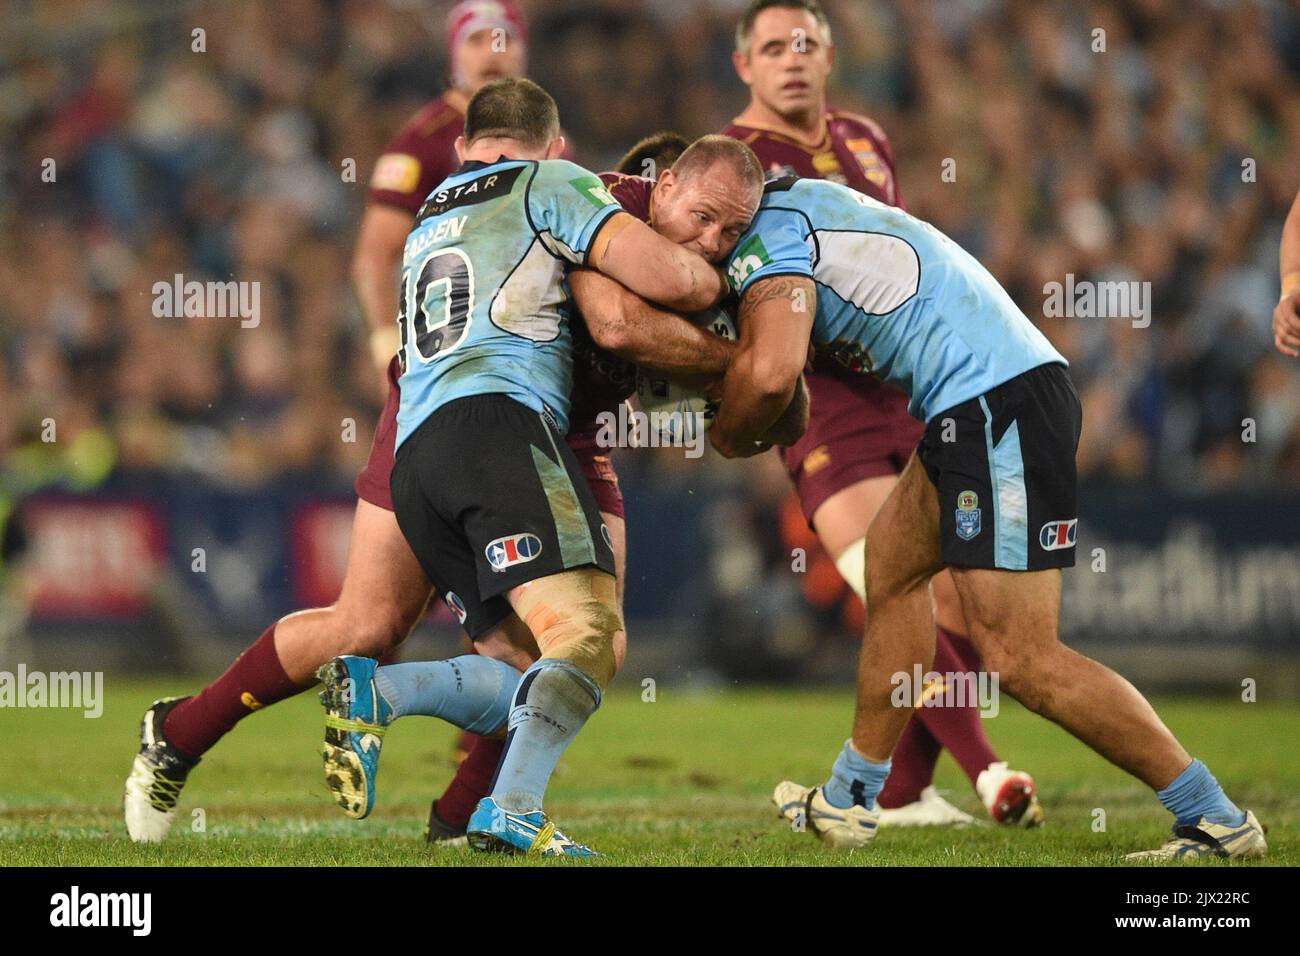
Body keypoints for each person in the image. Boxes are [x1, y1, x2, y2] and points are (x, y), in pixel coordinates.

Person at [713, 174, 1266, 860]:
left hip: (995, 405)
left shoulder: (769, 235)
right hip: (975, 404)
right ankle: (852, 798)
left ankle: (1215, 817)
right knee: (890, 567)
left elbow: (773, 371)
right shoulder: (801, 200)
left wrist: (728, 428)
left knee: (1021, 658)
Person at [321, 133, 778, 835]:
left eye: (732, 231)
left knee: (528, 661)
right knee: (587, 635)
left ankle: (383, 701)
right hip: (504, 431)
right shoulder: (593, 210)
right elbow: (619, 325)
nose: (713, 241)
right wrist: (740, 358)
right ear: (663, 187)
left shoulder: (498, 209)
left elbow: (665, 388)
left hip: (428, 441)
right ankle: (512, 813)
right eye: (704, 217)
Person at [722, 0, 1037, 826]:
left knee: (956, 600)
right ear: (742, 66)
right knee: (889, 584)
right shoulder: (735, 161)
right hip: (821, 404)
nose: (790, 59)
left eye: (805, 44)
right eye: (771, 47)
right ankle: (989, 769)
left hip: (910, 391)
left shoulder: (865, 137)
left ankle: (901, 791)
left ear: (830, 56)